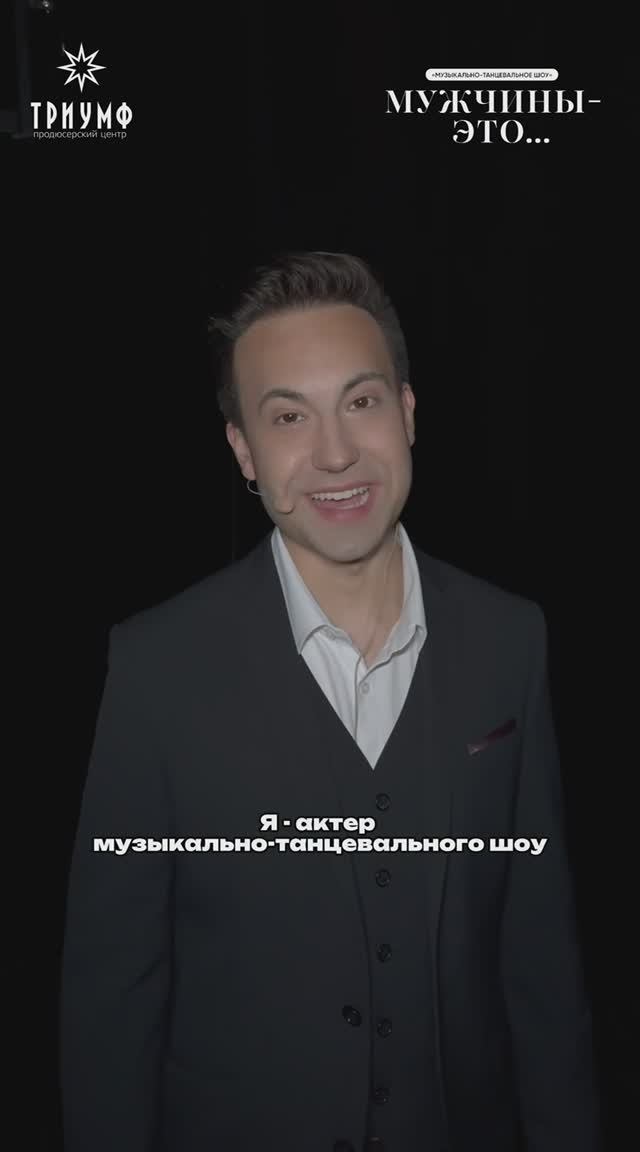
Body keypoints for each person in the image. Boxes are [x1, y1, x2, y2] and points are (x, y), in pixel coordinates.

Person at [60, 250, 602, 1152]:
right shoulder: (154, 668)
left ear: (408, 412)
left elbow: (542, 966)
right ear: (243, 450)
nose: (337, 453)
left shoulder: (512, 641)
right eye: (288, 417)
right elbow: (112, 1003)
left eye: (361, 401)